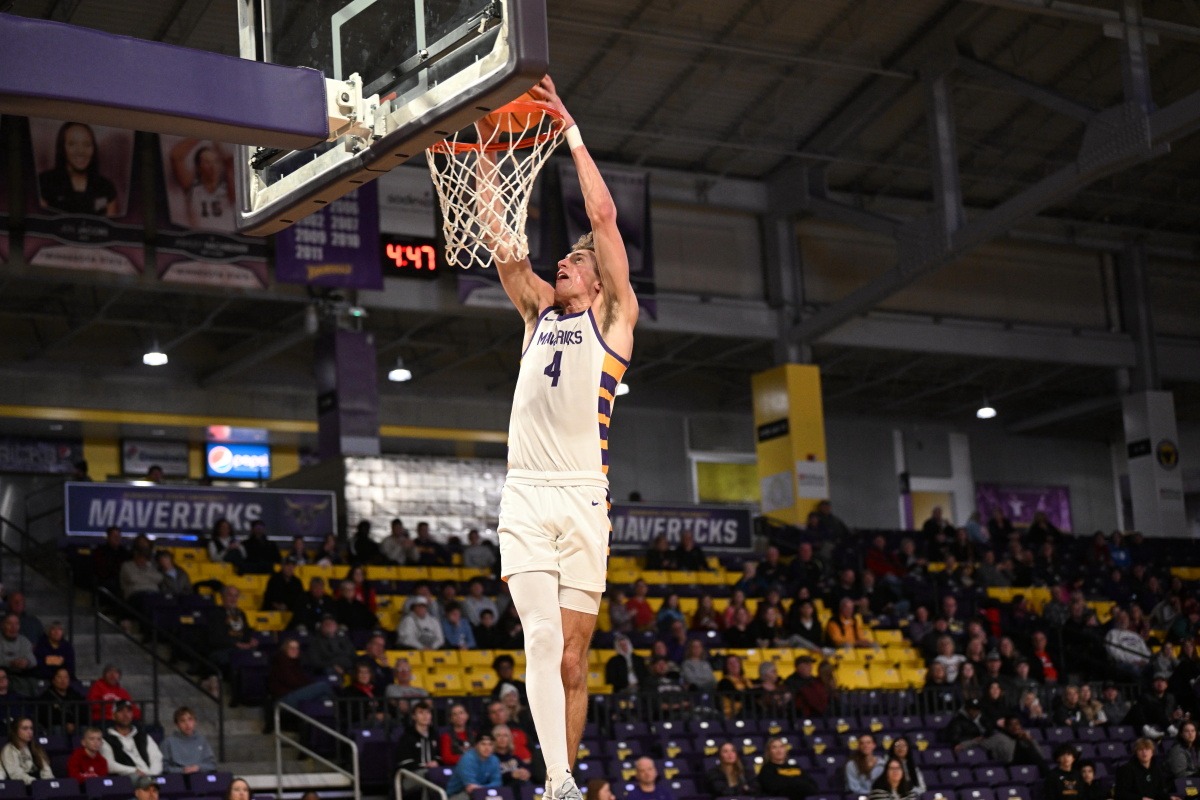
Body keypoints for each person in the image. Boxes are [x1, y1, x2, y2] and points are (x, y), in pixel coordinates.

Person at [486, 74, 637, 800]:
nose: (563, 264)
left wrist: (571, 131)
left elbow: (603, 217)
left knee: (574, 660)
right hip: (526, 492)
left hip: (583, 497)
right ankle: (558, 783)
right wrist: (484, 153)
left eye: (575, 262)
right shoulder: (537, 312)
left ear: (598, 281)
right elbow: (501, 244)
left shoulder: (613, 321)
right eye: (564, 262)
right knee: (542, 641)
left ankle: (562, 771)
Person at [38, 121, 119, 216]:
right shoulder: (44, 182)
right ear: (62, 147)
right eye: (72, 144)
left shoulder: (106, 187)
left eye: (87, 144)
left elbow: (112, 222)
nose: (81, 151)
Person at [169, 138, 236, 232]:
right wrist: (202, 134)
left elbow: (230, 164)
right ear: (198, 167)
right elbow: (176, 156)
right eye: (207, 162)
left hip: (227, 238)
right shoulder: (192, 187)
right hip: (199, 238)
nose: (212, 166)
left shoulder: (228, 188)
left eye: (215, 161)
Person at [101, 699, 163, 777]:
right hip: (127, 780)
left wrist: (151, 775)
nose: (125, 715)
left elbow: (156, 758)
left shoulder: (143, 736)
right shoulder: (105, 739)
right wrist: (134, 771)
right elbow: (109, 765)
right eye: (121, 711)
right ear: (113, 716)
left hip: (150, 777)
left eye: (128, 711)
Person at [395, 700, 439, 796]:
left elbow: (439, 757)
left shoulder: (434, 735)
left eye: (428, 712)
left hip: (432, 772)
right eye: (421, 713)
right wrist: (425, 766)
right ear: (414, 716)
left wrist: (436, 762)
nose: (425, 716)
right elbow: (405, 763)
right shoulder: (407, 737)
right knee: (429, 777)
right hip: (410, 776)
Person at [1114, 737, 1179, 800]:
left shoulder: (1157, 768)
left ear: (1152, 752)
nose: (1144, 752)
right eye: (1140, 749)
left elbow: (1159, 792)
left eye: (1147, 749)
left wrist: (1169, 798)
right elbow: (1120, 794)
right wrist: (1141, 799)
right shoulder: (1126, 769)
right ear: (1136, 753)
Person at [159, 706, 217, 775]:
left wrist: (198, 768)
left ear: (195, 722)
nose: (187, 724)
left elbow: (212, 765)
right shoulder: (168, 742)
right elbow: (163, 767)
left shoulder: (202, 741)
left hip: (199, 777)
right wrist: (182, 770)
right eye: (182, 721)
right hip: (177, 777)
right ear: (177, 724)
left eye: (190, 719)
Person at [445, 732, 502, 800]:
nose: (487, 748)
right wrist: (484, 788)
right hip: (458, 794)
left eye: (490, 744)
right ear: (476, 745)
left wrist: (482, 788)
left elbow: (497, 782)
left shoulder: (494, 760)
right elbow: (471, 788)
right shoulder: (467, 759)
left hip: (482, 792)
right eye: (483, 744)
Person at [1, 717, 53, 783]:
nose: (29, 732)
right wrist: (35, 783)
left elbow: (46, 769)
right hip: (23, 785)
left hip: (39, 783)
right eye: (25, 728)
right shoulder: (9, 749)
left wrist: (47, 782)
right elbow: (15, 773)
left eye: (31, 728)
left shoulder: (36, 748)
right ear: (16, 731)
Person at [39, 665, 85, 736]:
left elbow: (83, 712)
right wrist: (65, 724)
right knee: (57, 729)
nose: (63, 680)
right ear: (53, 680)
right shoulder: (47, 696)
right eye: (59, 677)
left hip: (75, 725)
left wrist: (74, 723)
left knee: (84, 729)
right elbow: (45, 717)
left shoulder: (75, 695)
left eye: (66, 677)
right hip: (56, 726)